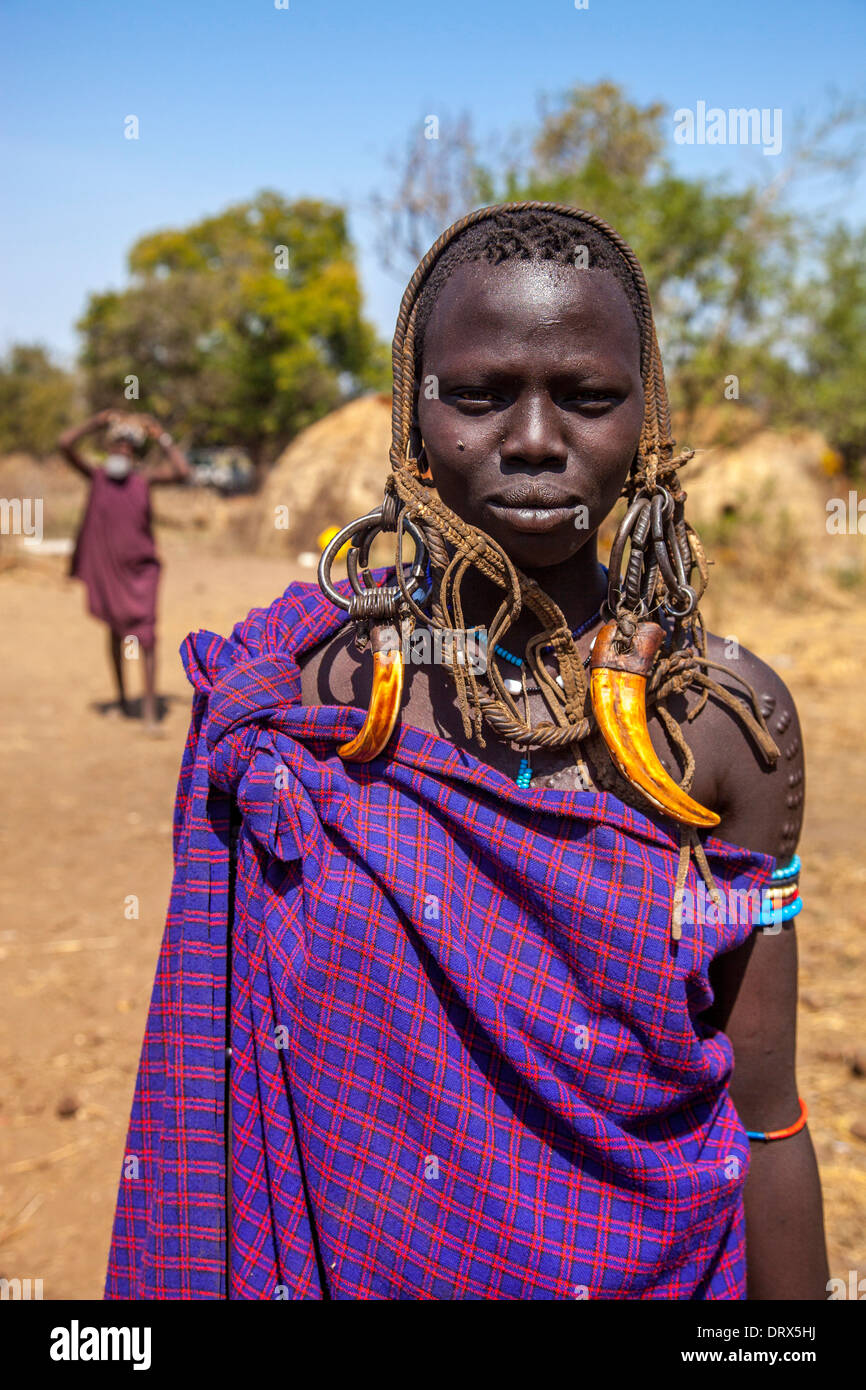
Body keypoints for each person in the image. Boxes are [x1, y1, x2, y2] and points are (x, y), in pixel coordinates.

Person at [105, 203, 828, 1300]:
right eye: (480, 396)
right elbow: (223, 1090)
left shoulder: (722, 726)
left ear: (648, 417)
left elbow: (765, 1120)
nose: (534, 439)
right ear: (412, 416)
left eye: (586, 397)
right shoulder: (310, 708)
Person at [58, 409, 190, 731]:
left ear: (134, 454)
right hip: (109, 572)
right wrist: (96, 421)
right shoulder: (97, 476)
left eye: (128, 448)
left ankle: (148, 711)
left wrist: (161, 437)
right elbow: (64, 443)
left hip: (142, 573)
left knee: (147, 638)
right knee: (115, 632)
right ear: (108, 448)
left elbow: (182, 471)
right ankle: (120, 699)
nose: (121, 451)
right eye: (116, 446)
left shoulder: (142, 480)